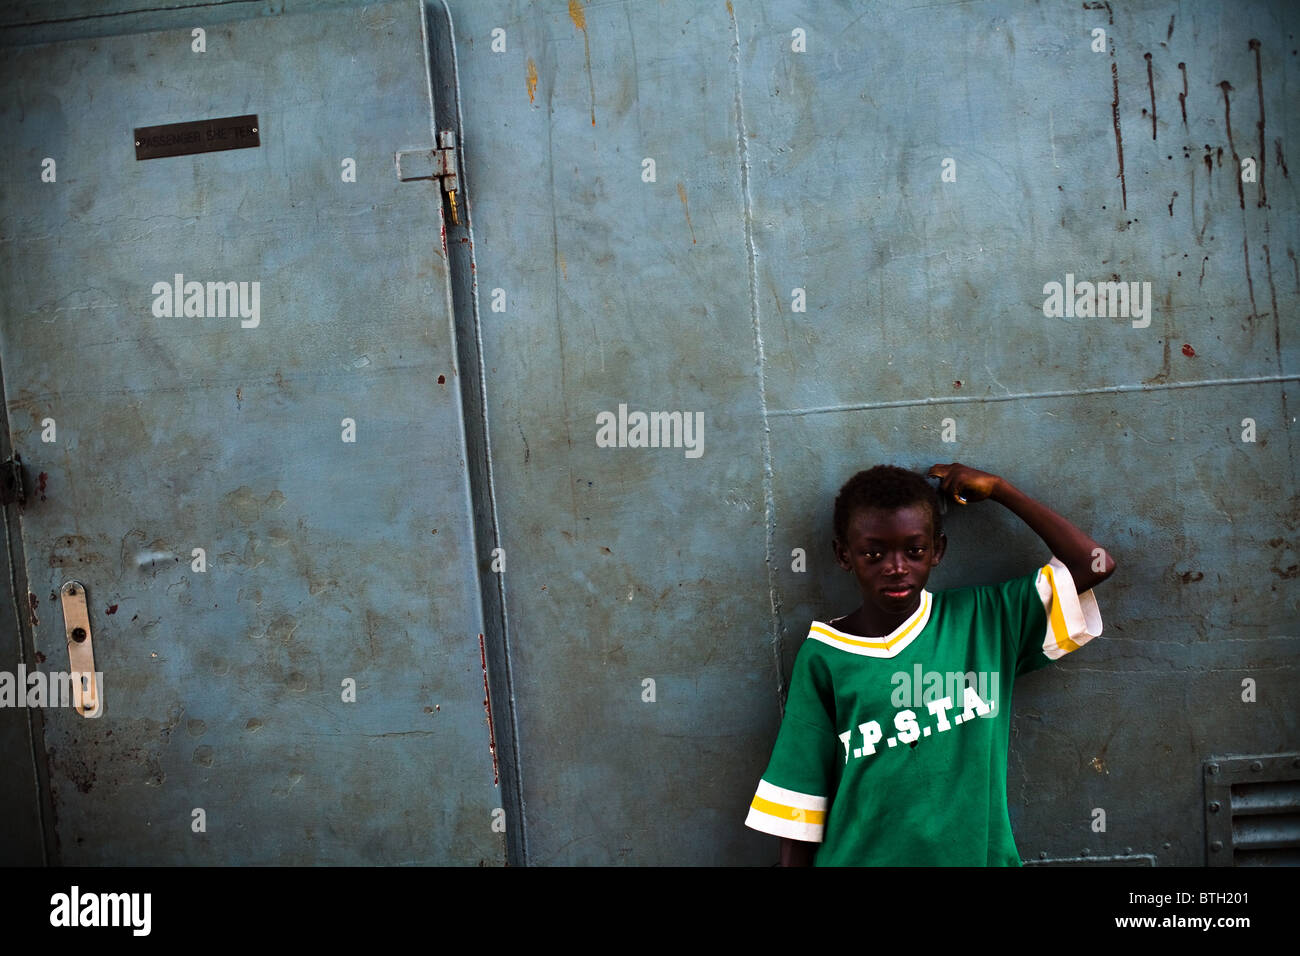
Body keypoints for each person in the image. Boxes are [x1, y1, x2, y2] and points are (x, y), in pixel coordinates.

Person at [744, 462, 1116, 866]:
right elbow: (801, 802)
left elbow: (1094, 564)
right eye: (874, 553)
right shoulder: (825, 655)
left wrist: (1000, 489)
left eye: (914, 550)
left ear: (937, 550)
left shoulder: (986, 620)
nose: (897, 566)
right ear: (844, 555)